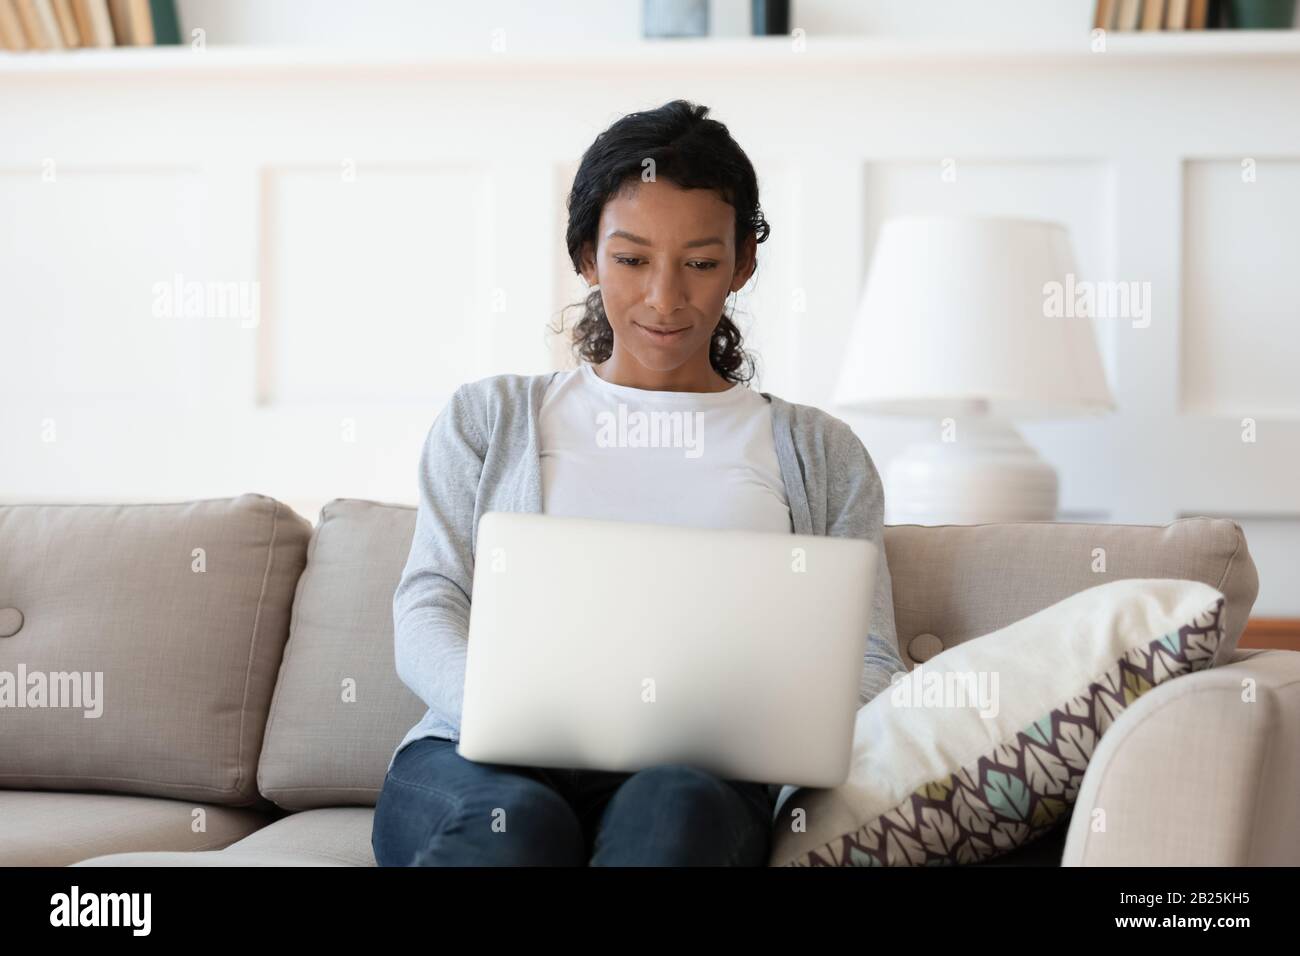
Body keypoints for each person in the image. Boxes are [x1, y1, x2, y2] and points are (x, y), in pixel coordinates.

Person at [371, 99, 905, 867]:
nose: (664, 297)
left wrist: (772, 740)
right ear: (586, 257)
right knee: (516, 822)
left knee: (673, 816)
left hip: (699, 779)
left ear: (743, 265)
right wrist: (500, 715)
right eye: (631, 260)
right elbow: (430, 601)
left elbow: (871, 659)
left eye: (700, 263)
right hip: (482, 761)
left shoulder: (824, 452)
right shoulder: (489, 418)